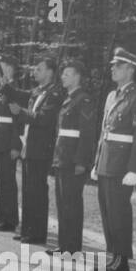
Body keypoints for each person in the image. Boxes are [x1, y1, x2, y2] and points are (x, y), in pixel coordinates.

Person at [92, 47, 136, 271]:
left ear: (131, 69)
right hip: (107, 161)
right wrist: (97, 162)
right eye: (113, 65)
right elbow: (104, 132)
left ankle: (122, 261)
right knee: (108, 212)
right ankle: (114, 256)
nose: (113, 69)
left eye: (118, 66)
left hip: (122, 165)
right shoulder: (113, 96)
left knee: (119, 213)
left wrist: (134, 169)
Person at [5, 55, 65, 246]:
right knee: (28, 190)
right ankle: (27, 230)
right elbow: (21, 95)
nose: (34, 71)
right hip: (29, 147)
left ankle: (37, 233)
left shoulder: (55, 93)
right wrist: (6, 87)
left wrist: (20, 112)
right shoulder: (38, 90)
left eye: (39, 69)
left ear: (50, 72)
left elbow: (44, 118)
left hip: (42, 148)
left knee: (37, 191)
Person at [51, 59, 97, 255]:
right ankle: (64, 246)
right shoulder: (68, 99)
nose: (62, 77)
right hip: (62, 158)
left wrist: (80, 161)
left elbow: (87, 134)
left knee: (72, 205)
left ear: (77, 77)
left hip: (72, 161)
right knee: (63, 204)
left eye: (67, 74)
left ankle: (72, 248)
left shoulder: (83, 100)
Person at [0, 58, 23, 233]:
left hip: (8, 144)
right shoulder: (2, 90)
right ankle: (1, 218)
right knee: (1, 182)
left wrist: (16, 146)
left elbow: (17, 122)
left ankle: (10, 220)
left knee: (8, 183)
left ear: (11, 70)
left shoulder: (14, 91)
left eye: (3, 67)